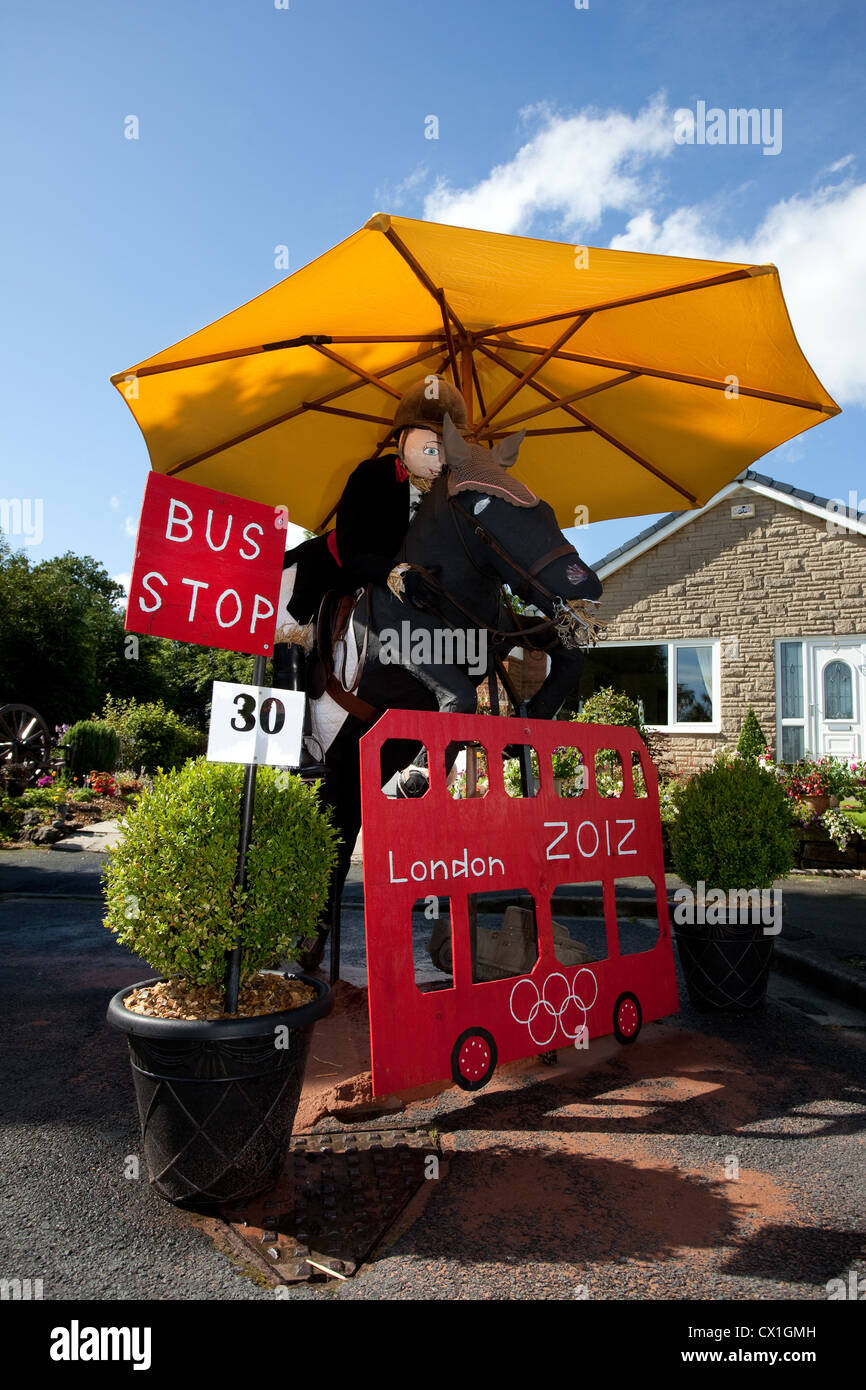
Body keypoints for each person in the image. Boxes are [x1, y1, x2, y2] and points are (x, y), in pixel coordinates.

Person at [272, 376, 468, 676]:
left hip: (399, 594)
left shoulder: (452, 495)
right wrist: (396, 574)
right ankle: (293, 712)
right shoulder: (372, 474)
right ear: (402, 440)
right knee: (294, 643)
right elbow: (352, 549)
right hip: (330, 573)